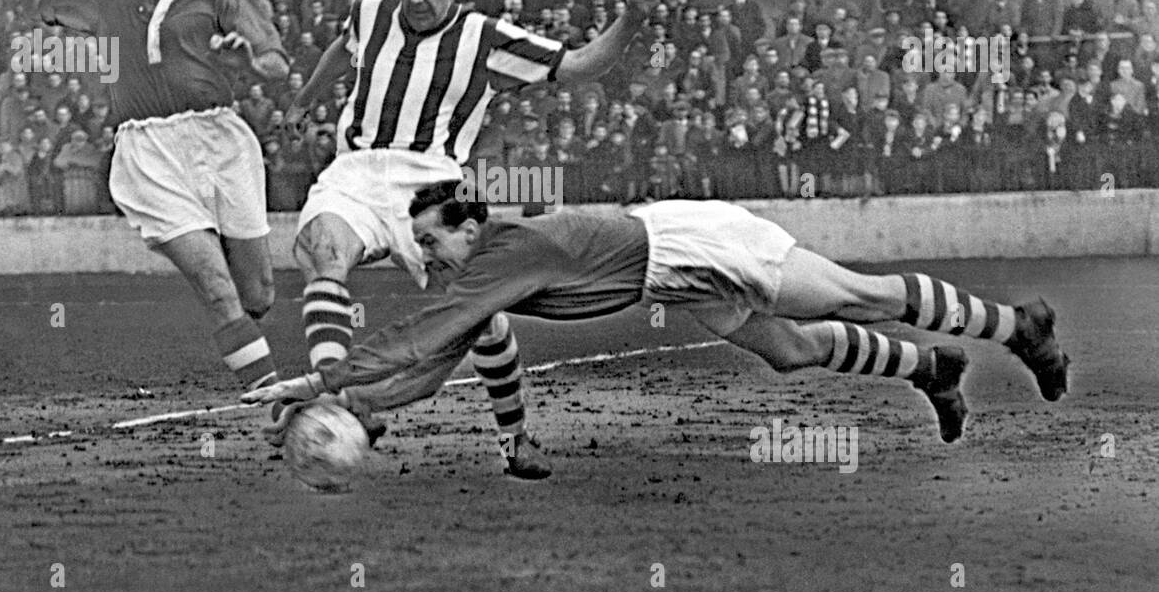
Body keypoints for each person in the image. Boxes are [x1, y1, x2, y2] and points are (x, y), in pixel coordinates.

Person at [248, 181, 1070, 465]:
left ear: (468, 228)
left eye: (430, 240)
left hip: (693, 242)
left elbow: (421, 335)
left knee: (858, 296)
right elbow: (432, 364)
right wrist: (365, 405)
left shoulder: (501, 252)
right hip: (668, 270)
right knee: (788, 352)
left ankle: (1016, 324)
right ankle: (931, 370)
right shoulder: (488, 276)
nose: (423, 255)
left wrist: (326, 377)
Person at [284, 0, 673, 478]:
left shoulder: (483, 38)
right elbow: (343, 48)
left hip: (433, 184)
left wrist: (631, 19)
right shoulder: (370, 12)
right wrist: (305, 101)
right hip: (356, 171)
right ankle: (337, 405)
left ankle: (514, 442)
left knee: (480, 320)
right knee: (324, 252)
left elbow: (581, 65)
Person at [15, 0, 289, 392]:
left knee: (258, 294)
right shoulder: (108, 0)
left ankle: (245, 339)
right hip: (149, 152)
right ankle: (278, 404)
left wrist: (249, 61)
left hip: (221, 141)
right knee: (215, 285)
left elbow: (276, 61)